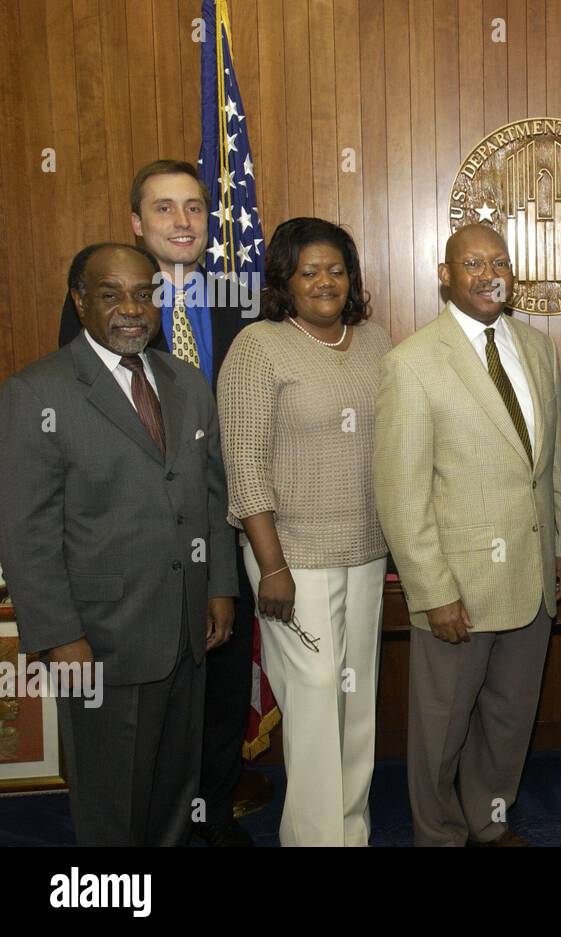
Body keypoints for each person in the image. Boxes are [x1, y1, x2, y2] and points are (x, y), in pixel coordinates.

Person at [0, 243, 237, 845]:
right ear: (80, 301)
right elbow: (26, 531)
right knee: (112, 805)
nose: (131, 309)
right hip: (99, 639)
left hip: (187, 631)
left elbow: (211, 494)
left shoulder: (186, 381)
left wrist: (220, 590)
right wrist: (58, 637)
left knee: (174, 794)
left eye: (143, 293)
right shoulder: (38, 393)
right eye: (111, 294)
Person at [56, 159, 258, 846]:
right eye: (164, 209)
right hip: (133, 546)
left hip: (228, 521)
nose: (182, 221)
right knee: (137, 718)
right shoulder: (98, 296)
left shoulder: (241, 296)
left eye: (195, 208)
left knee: (221, 684)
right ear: (138, 223)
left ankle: (213, 810)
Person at [374, 224, 561, 847]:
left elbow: (554, 462)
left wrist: (560, 545)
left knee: (510, 719)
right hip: (458, 585)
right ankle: (437, 834)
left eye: (500, 261)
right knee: (441, 726)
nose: (490, 273)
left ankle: (489, 822)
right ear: (445, 273)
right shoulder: (412, 362)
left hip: (534, 575)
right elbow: (402, 494)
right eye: (473, 262)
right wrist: (432, 591)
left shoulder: (537, 348)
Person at [217, 217, 391, 846]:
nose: (325, 281)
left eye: (337, 269)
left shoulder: (375, 342)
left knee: (355, 704)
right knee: (316, 705)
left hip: (368, 553)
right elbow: (244, 464)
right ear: (284, 282)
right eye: (309, 270)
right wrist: (273, 566)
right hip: (292, 558)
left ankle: (351, 832)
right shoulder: (258, 347)